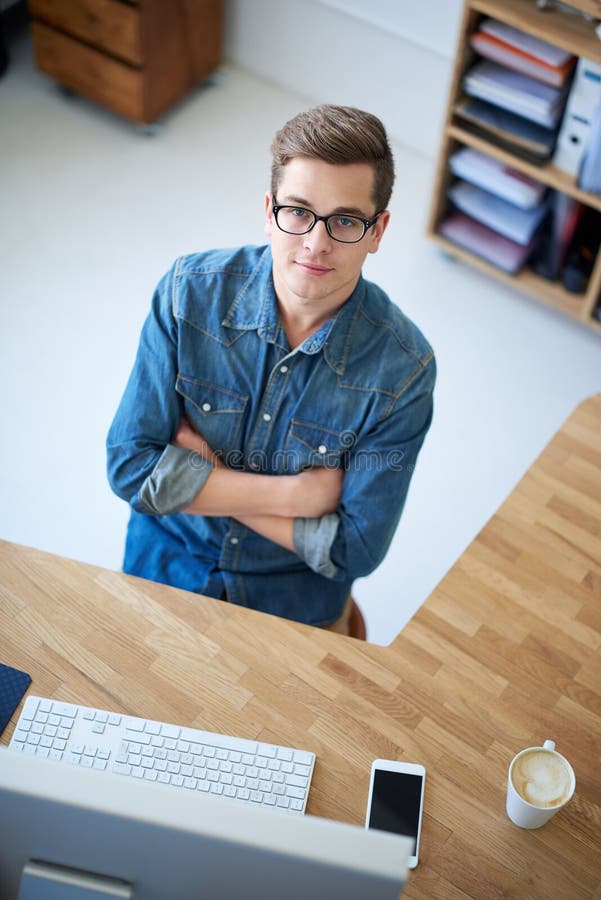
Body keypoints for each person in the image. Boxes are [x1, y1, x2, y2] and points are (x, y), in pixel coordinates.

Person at [107, 104, 436, 636]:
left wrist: (203, 477)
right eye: (299, 211)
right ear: (269, 209)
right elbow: (129, 467)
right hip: (167, 568)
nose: (316, 243)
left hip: (294, 605)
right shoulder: (187, 292)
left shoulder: (403, 370)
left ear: (378, 231)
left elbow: (357, 549)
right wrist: (296, 498)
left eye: (346, 220)